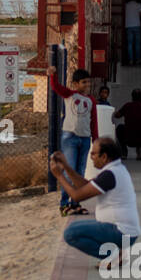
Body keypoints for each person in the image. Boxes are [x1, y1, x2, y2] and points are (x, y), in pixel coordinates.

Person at [50, 137, 141, 270]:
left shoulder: (109, 175)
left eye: (94, 154)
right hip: (125, 232)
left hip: (121, 232)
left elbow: (77, 195)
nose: (91, 157)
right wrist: (67, 167)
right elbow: (86, 186)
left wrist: (59, 176)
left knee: (71, 233)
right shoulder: (115, 169)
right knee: (77, 228)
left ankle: (112, 256)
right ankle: (115, 253)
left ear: (104, 157)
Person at [48, 64, 99, 216]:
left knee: (80, 172)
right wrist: (53, 75)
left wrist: (95, 141)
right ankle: (64, 203)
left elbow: (93, 121)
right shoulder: (70, 95)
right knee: (69, 171)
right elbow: (56, 87)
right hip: (70, 137)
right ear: (76, 84)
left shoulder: (91, 100)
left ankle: (76, 203)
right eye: (84, 82)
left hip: (84, 138)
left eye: (88, 82)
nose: (87, 85)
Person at [113, 88, 141, 160]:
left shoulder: (127, 106)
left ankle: (124, 152)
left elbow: (117, 115)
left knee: (120, 128)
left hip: (128, 139)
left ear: (132, 97)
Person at [124, 0, 141, 65]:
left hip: (128, 26)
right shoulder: (138, 5)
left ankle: (131, 60)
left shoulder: (126, 5)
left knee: (130, 44)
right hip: (137, 26)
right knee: (137, 44)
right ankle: (138, 59)